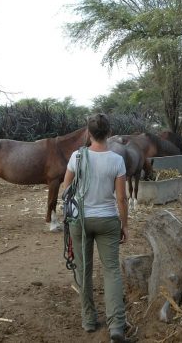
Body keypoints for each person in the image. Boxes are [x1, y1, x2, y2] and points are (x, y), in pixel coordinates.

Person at [62, 113, 128, 343]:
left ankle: (89, 320)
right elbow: (122, 199)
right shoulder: (117, 160)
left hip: (79, 221)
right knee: (111, 271)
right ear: (109, 133)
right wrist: (124, 224)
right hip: (107, 220)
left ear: (89, 133)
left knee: (84, 271)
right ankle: (117, 326)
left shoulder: (77, 157)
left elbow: (66, 186)